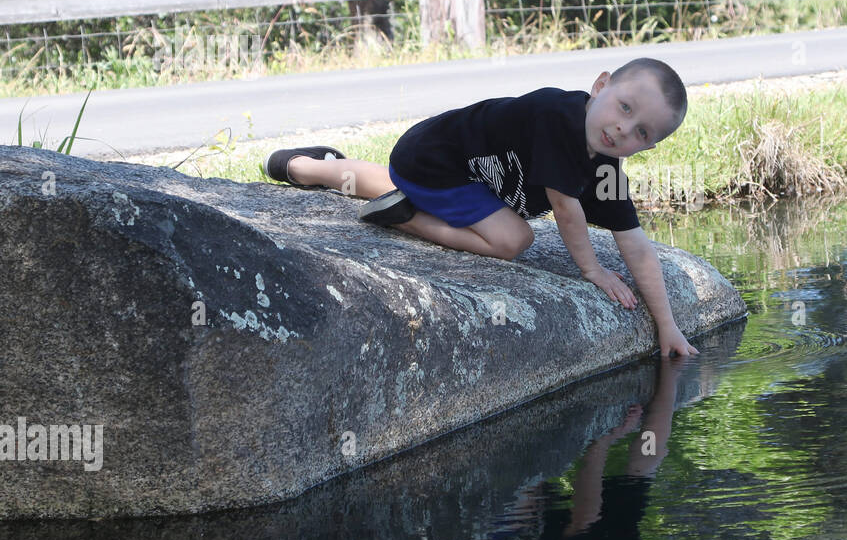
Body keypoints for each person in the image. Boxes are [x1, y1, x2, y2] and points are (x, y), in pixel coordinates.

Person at [263, 57, 700, 358]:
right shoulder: (557, 116)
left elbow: (636, 245)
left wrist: (667, 325)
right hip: (434, 159)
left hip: (430, 162)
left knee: (402, 181)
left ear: (649, 145)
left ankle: (303, 167)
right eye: (624, 107)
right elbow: (567, 211)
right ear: (601, 85)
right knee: (514, 238)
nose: (623, 128)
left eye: (642, 132)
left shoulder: (604, 166)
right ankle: (407, 217)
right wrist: (592, 271)